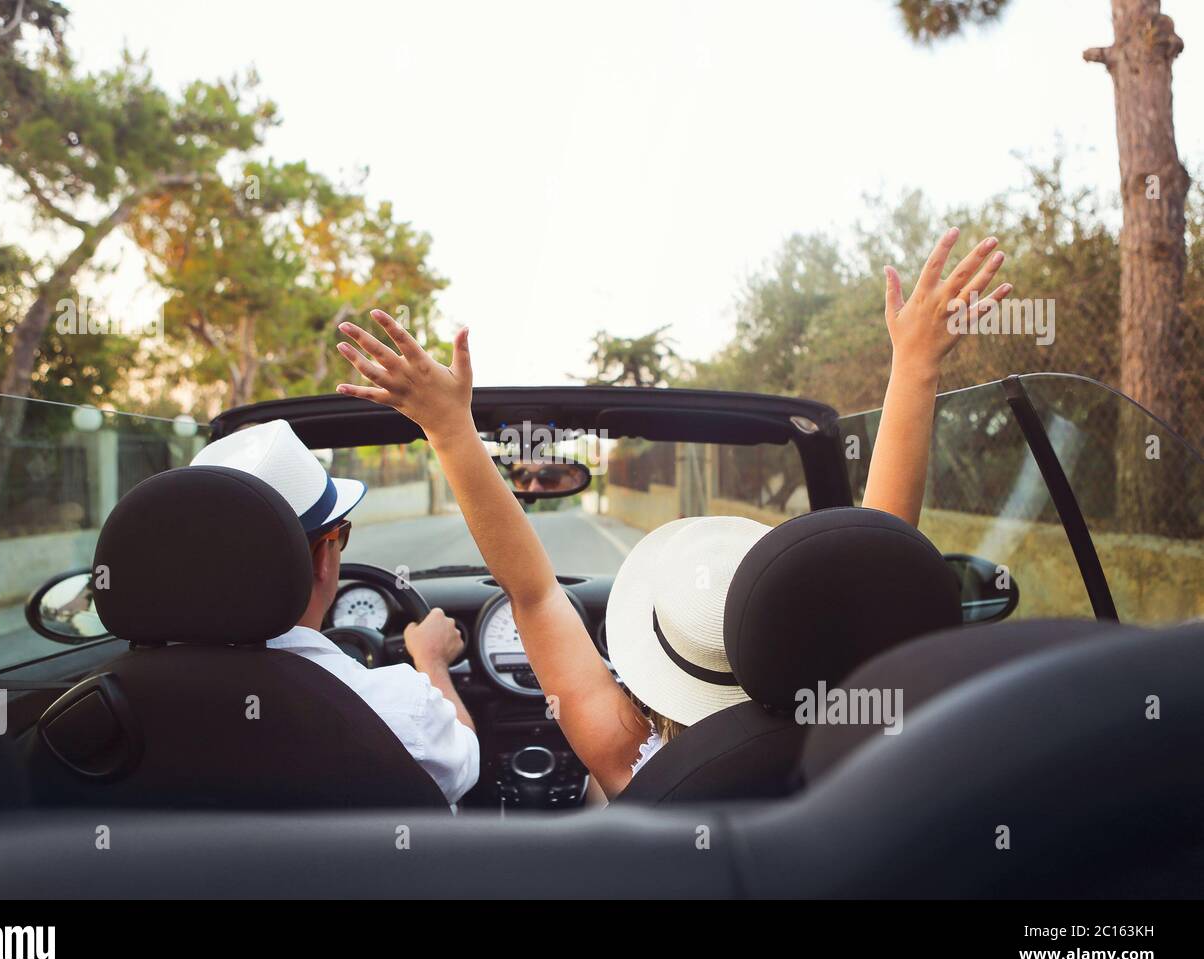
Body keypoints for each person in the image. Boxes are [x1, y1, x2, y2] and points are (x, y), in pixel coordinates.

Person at [335, 227, 1009, 799]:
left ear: (652, 651)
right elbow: (879, 551)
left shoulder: (630, 757)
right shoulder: (851, 753)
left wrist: (449, 428)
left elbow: (535, 595)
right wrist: (916, 361)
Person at [190, 420, 480, 804]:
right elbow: (465, 764)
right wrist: (432, 663)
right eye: (339, 535)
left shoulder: (113, 704)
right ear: (323, 558)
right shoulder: (397, 706)